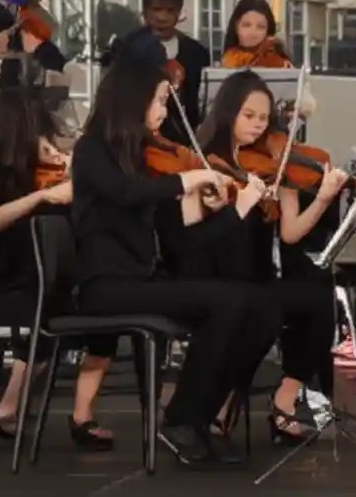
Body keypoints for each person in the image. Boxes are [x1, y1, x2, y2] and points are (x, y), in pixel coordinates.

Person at [69, 58, 281, 466]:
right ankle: (182, 419)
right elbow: (126, 194)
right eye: (160, 101)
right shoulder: (93, 149)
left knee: (263, 306)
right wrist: (190, 179)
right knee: (229, 302)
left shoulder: (146, 158)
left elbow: (180, 242)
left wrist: (217, 211)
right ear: (132, 101)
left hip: (143, 281)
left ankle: (197, 417)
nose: (165, 112)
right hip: (105, 287)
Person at [191, 71, 349, 444]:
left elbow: (292, 232)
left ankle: (285, 397)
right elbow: (198, 237)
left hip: (258, 275)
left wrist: (324, 197)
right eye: (249, 116)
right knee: (265, 309)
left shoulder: (274, 160)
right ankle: (228, 396)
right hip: (218, 274)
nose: (258, 126)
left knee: (317, 292)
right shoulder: (204, 158)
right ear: (229, 111)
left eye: (263, 118)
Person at [0, 90, 115, 449]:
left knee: (81, 305)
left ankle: (34, 410)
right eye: (39, 133)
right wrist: (40, 198)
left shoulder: (41, 173)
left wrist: (75, 167)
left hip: (41, 279)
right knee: (52, 309)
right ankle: (12, 407)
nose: (46, 141)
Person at [104, 0, 211, 145]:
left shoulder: (196, 52)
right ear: (144, 11)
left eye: (170, 11)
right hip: (136, 139)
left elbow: (199, 104)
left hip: (183, 140)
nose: (162, 17)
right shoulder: (128, 48)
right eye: (156, 9)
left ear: (180, 12)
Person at [220, 0, 294, 68]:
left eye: (261, 27)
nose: (253, 32)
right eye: (246, 25)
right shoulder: (229, 58)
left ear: (268, 30)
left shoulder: (277, 56)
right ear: (235, 26)